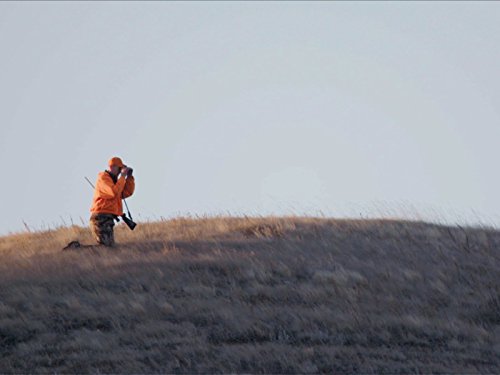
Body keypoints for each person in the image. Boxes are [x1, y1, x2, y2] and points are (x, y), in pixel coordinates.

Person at [89, 157, 135, 246]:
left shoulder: (115, 181)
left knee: (108, 247)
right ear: (113, 167)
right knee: (105, 247)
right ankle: (76, 249)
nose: (120, 171)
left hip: (107, 218)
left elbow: (127, 192)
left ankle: (78, 251)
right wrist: (122, 176)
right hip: (100, 217)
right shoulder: (103, 178)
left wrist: (129, 178)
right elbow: (114, 192)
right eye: (119, 168)